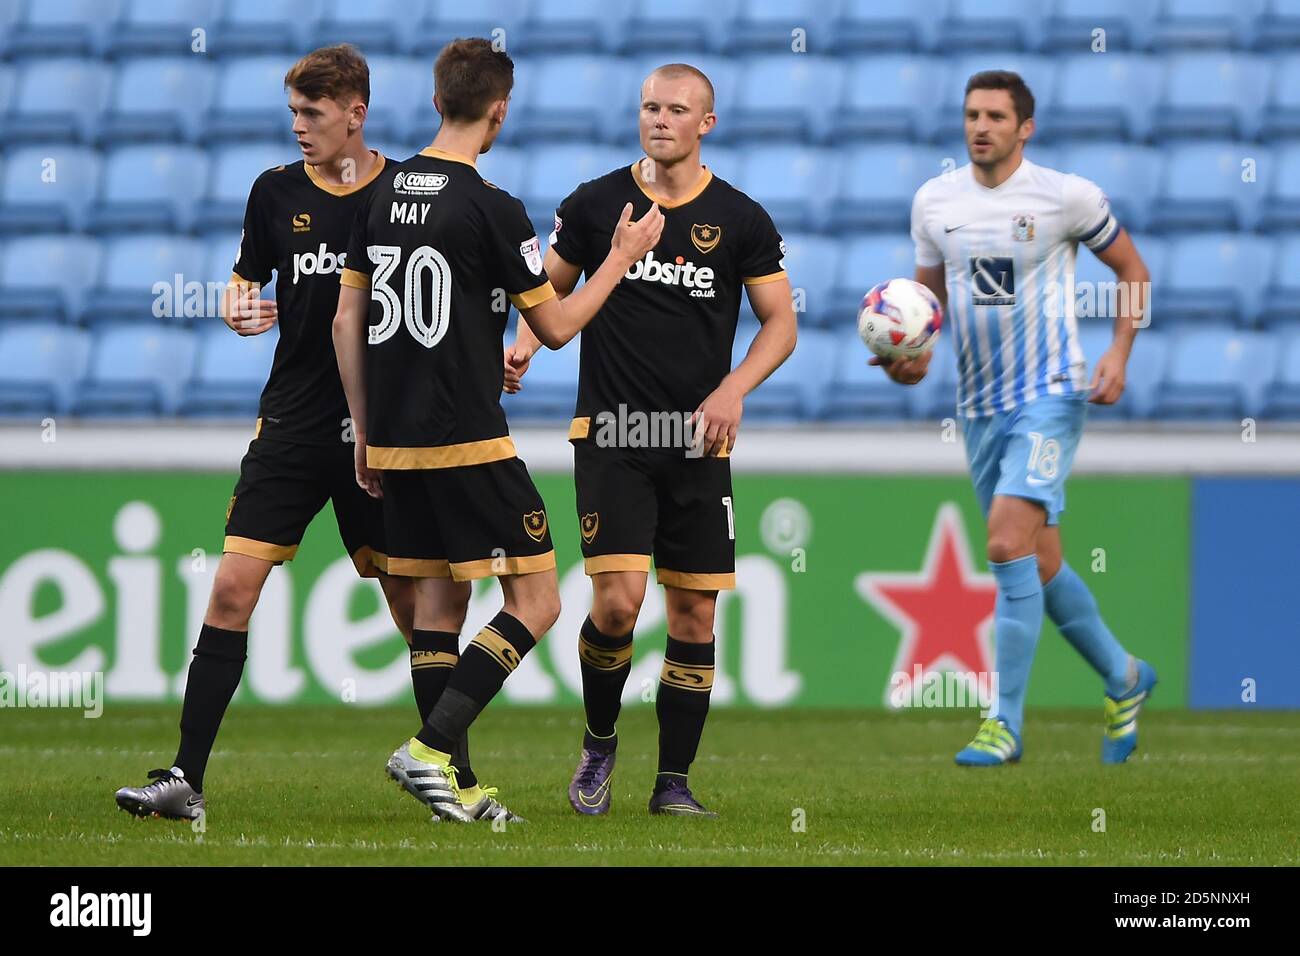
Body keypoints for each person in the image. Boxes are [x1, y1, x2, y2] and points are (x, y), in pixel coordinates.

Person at [332, 38, 664, 822]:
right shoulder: (491, 204)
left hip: (394, 438)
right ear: (499, 109)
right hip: (469, 441)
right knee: (540, 599)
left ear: (438, 97)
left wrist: (364, 434)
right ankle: (429, 749)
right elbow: (554, 326)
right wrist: (618, 257)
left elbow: (350, 321)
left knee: (437, 613)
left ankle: (457, 787)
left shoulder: (375, 194)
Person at [115, 46, 431, 820]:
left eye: (312, 114)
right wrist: (236, 302)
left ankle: (447, 771)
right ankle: (184, 779)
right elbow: (246, 278)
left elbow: (443, 301)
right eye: (293, 112)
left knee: (412, 605)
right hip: (291, 423)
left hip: (380, 433)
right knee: (231, 587)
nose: (298, 127)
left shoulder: (408, 196)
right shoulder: (274, 192)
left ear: (355, 114)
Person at [507, 63, 797, 816]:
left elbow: (782, 324)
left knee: (695, 615)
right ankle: (600, 740)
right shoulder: (598, 203)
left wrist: (733, 388)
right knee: (618, 605)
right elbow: (549, 292)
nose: (658, 119)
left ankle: (674, 783)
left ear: (707, 124)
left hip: (698, 444)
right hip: (612, 433)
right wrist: (525, 346)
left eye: (676, 109)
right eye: (648, 107)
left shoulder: (740, 219)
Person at [890, 70, 1157, 766]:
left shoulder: (1066, 197)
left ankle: (1002, 722)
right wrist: (908, 358)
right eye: (972, 114)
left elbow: (1134, 271)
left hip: (1053, 393)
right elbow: (925, 310)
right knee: (1040, 561)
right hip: (979, 406)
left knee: (1006, 544)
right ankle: (1125, 677)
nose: (981, 126)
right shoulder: (934, 203)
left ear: (1024, 128)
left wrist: (1119, 352)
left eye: (997, 116)